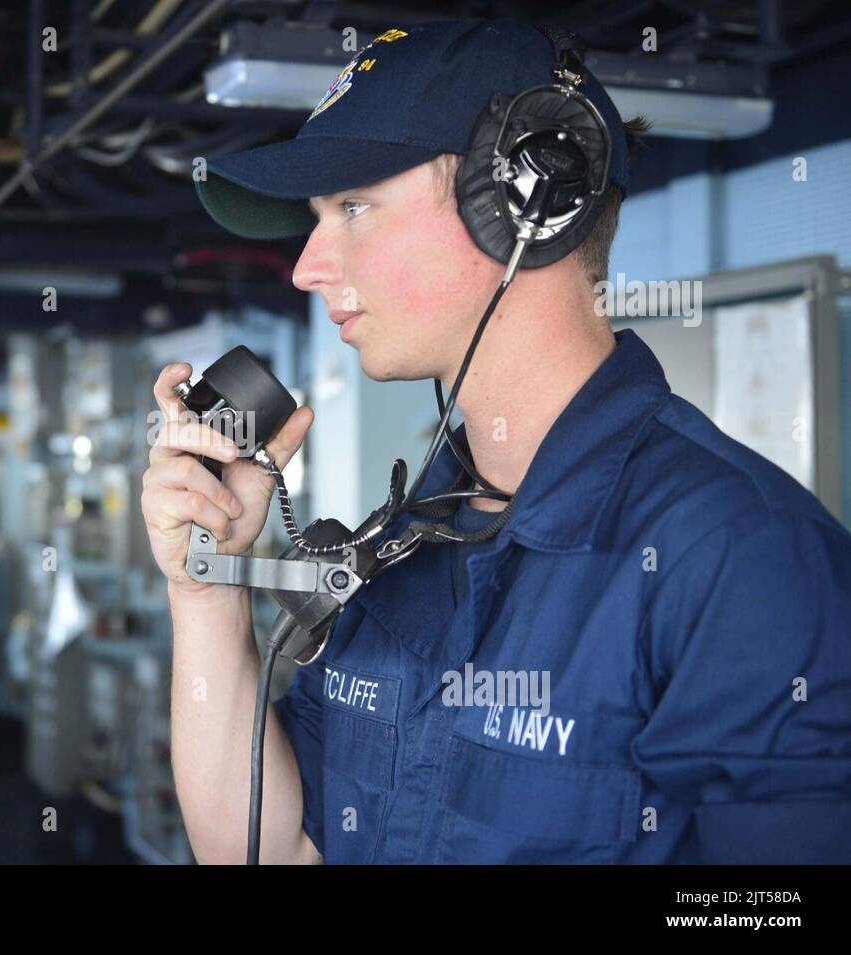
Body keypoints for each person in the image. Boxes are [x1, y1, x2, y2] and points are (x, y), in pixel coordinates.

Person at [140, 18, 851, 863]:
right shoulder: (407, 541)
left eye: (353, 207)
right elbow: (273, 850)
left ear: (521, 202)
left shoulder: (738, 557)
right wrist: (206, 586)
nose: (306, 266)